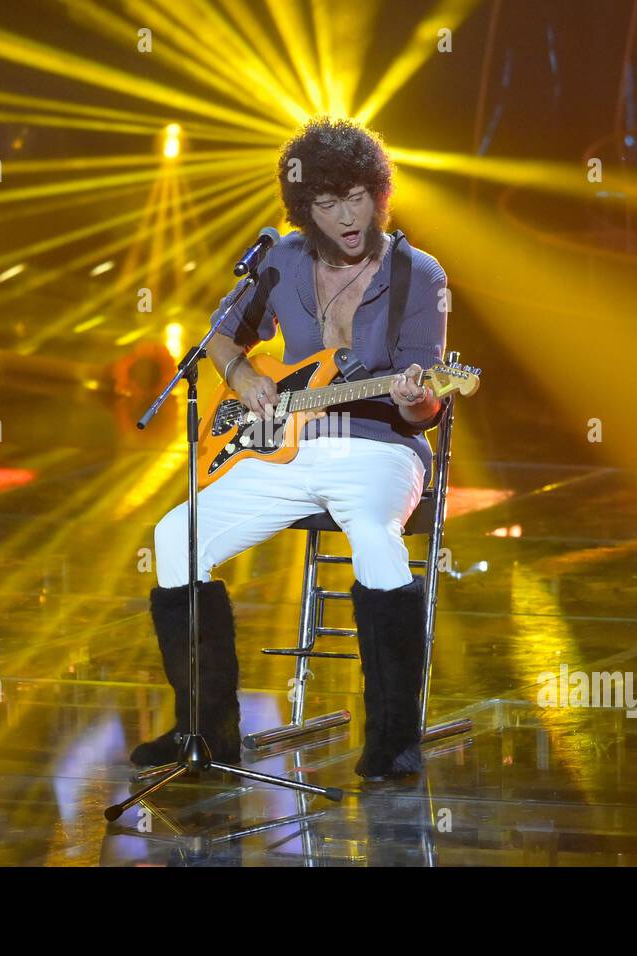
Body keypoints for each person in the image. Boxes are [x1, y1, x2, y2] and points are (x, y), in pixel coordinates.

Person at [133, 116, 448, 781]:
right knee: (172, 537)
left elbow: (425, 408)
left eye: (357, 196)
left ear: (379, 193)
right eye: (328, 203)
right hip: (287, 448)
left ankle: (394, 738)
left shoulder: (418, 274)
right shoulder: (281, 260)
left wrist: (421, 398)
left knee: (372, 534)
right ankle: (207, 732)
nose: (346, 215)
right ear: (304, 208)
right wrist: (242, 374)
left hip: (380, 447)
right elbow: (219, 338)